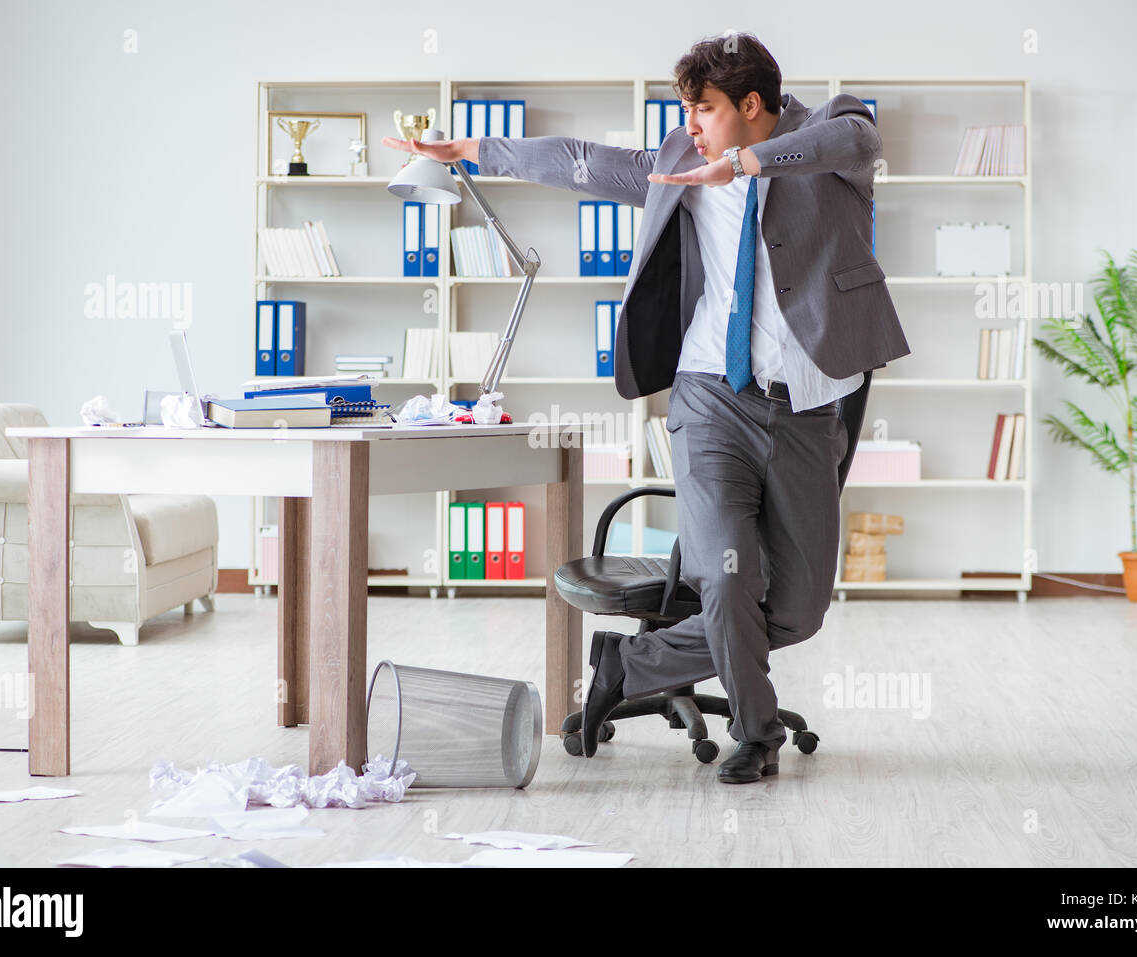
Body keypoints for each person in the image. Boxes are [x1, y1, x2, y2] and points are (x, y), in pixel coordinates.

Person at [385, 32, 910, 784]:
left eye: (702, 110)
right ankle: (756, 733)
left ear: (752, 106)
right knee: (728, 578)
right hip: (709, 400)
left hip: (804, 410)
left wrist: (749, 163)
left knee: (797, 612)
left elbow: (854, 137)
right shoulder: (678, 159)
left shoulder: (833, 136)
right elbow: (585, 162)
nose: (688, 127)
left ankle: (628, 661)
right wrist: (472, 149)